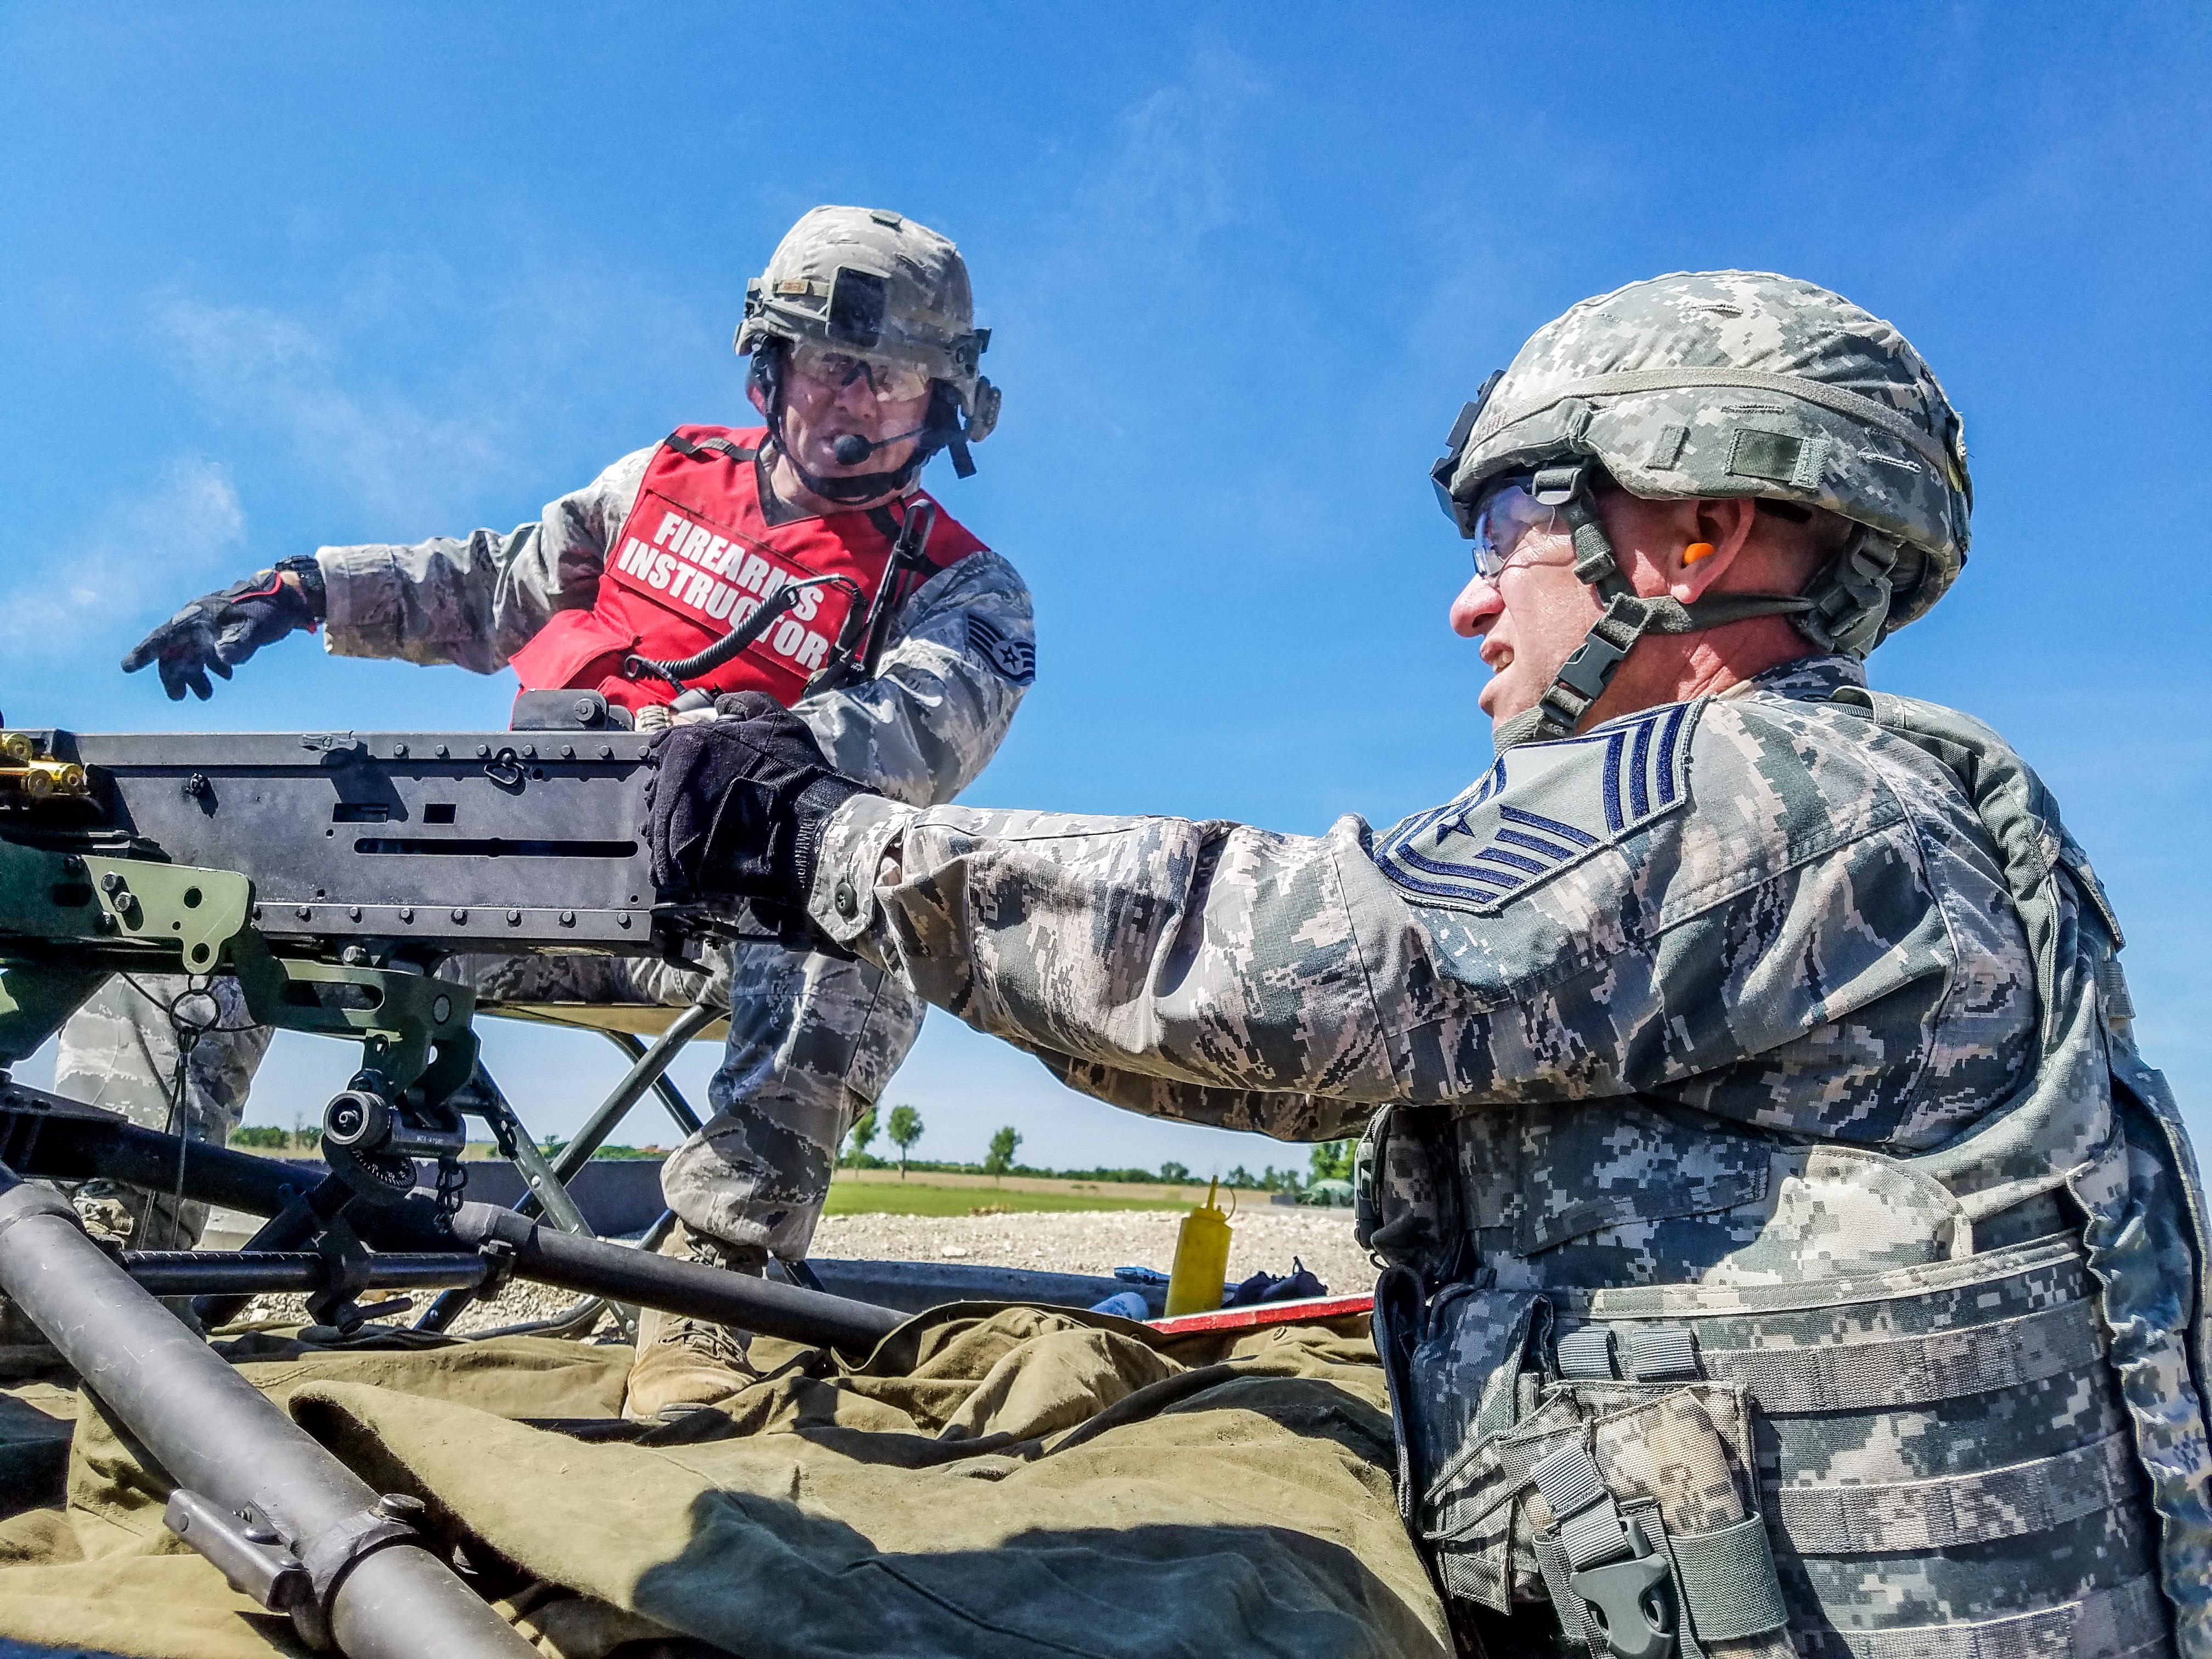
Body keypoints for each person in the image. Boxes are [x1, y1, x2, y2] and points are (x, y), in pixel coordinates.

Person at [645, 273, 2211, 1655]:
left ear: (1693, 536)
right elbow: (1298, 1067)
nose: (1470, 597)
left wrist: (834, 846)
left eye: (1505, 529)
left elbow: (1289, 971)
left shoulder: (1762, 797)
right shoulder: (1856, 796)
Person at [73, 205, 1036, 1417]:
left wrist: (727, 754)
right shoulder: (657, 484)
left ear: (946, 407)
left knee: (858, 937)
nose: (854, 405)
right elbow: (492, 583)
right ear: (769, 363)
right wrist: (312, 588)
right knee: (193, 901)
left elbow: (921, 734)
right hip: (503, 872)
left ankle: (714, 1298)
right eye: (832, 366)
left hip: (709, 919)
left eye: (894, 384)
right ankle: (111, 1250)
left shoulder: (961, 586)